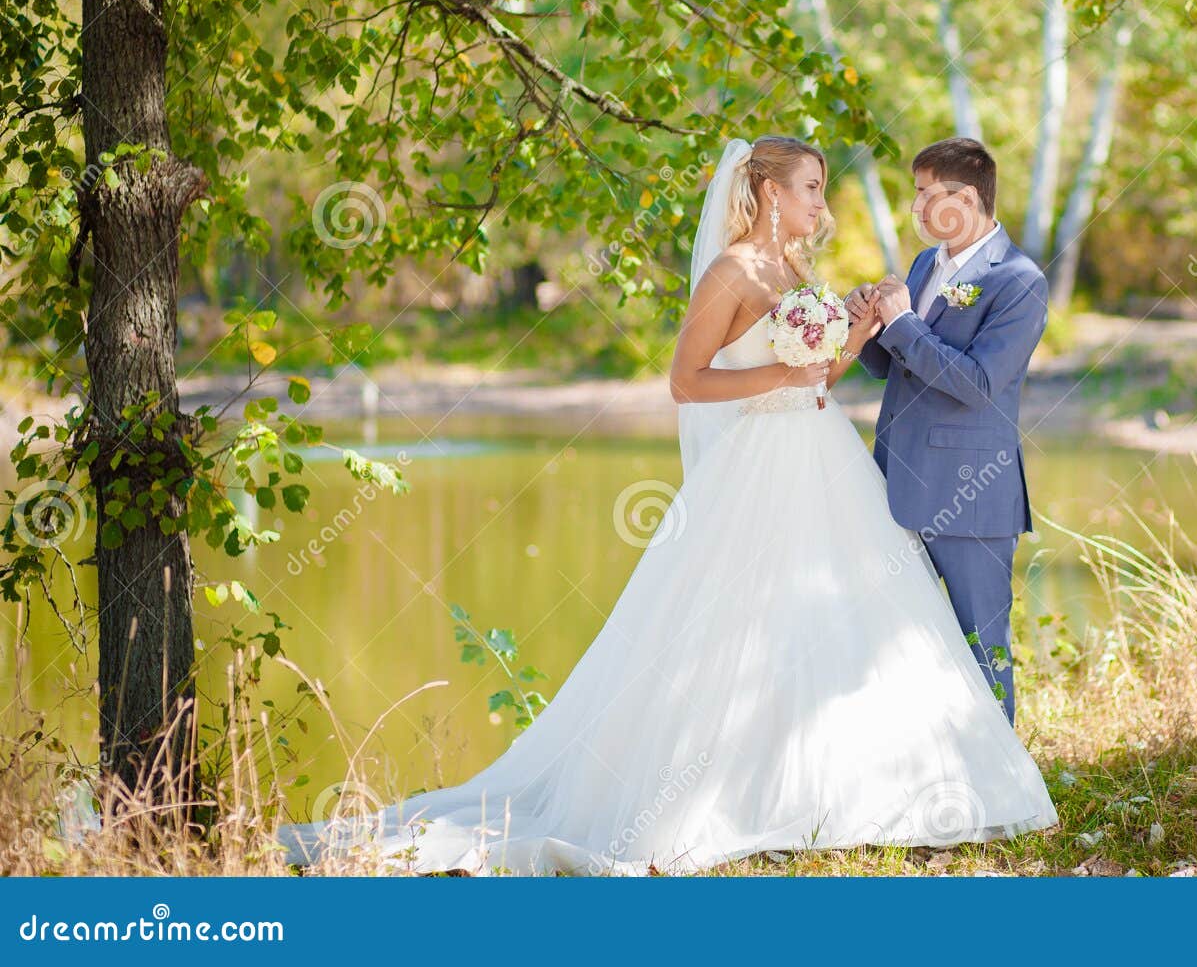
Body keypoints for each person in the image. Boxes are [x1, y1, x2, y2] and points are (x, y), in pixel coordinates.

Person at [274, 135, 1057, 876]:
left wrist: (856, 325)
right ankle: (741, 794)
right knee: (738, 631)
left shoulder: (794, 268)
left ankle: (891, 786)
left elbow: (823, 370)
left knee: (854, 626)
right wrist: (800, 371)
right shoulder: (732, 273)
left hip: (823, 459)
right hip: (762, 465)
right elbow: (689, 382)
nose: (824, 205)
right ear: (767, 191)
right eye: (812, 189)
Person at [846, 137, 1049, 724]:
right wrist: (872, 326)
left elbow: (979, 384)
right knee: (893, 644)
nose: (916, 208)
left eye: (923, 194)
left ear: (963, 198)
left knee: (981, 650)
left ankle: (999, 799)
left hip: (970, 495)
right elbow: (898, 367)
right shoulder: (924, 265)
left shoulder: (1019, 280)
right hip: (897, 482)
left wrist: (905, 322)